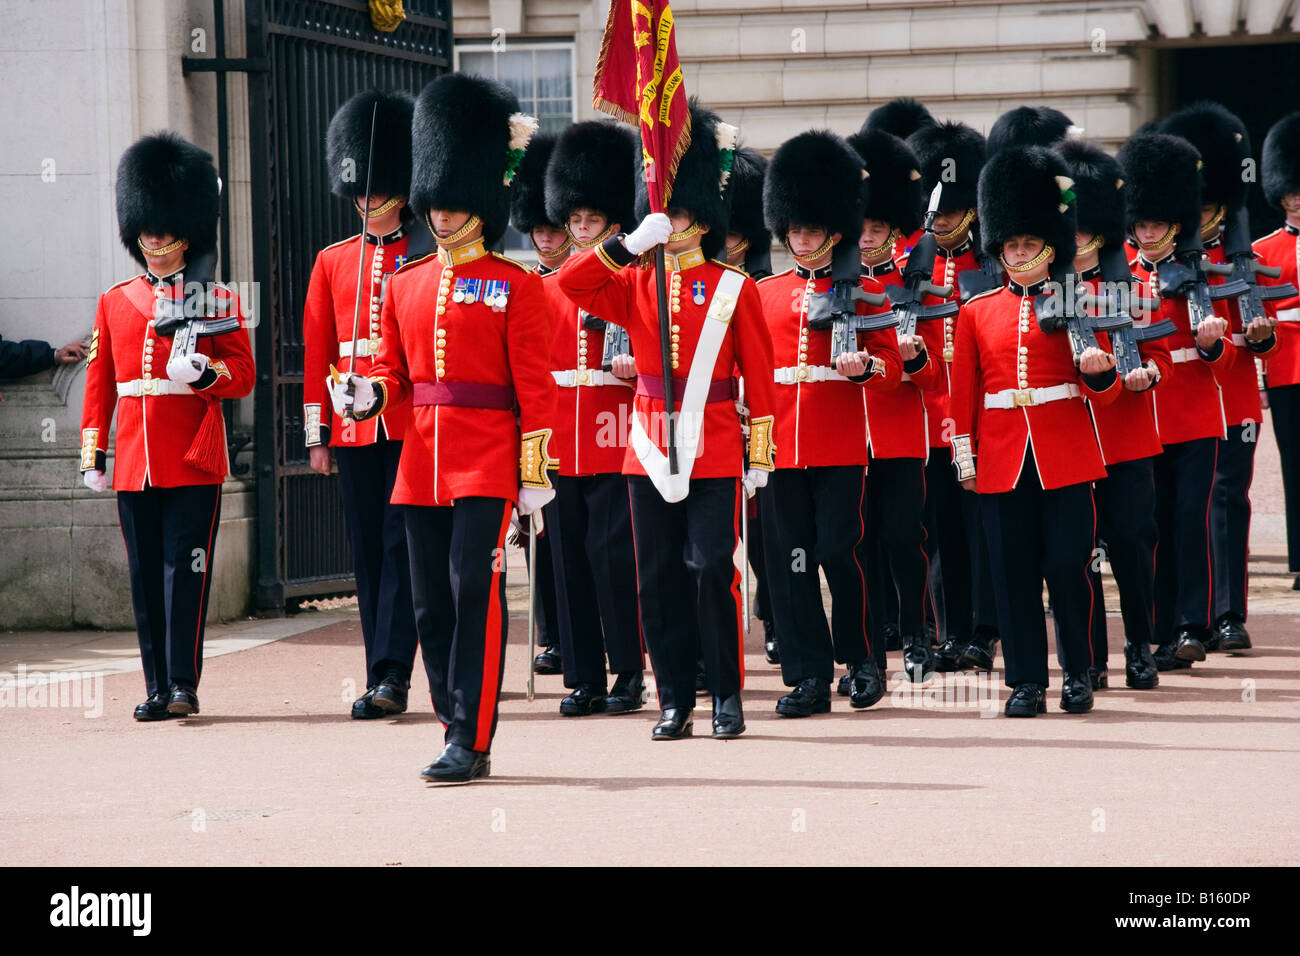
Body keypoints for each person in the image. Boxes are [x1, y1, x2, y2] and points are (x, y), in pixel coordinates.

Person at [337, 73, 557, 783]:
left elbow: (535, 387)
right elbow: (398, 379)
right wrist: (368, 398)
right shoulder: (405, 283)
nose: (441, 213)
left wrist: (531, 476)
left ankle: (473, 734)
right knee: (430, 603)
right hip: (420, 461)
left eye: (455, 202)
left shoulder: (515, 285)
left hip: (488, 460)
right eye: (436, 199)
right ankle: (448, 718)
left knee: (474, 590)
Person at [558, 100, 777, 741]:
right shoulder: (634, 279)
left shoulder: (734, 287)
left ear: (702, 219)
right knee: (655, 578)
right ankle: (674, 698)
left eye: (679, 214)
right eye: (665, 213)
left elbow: (760, 380)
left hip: (711, 442)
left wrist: (759, 453)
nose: (672, 222)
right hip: (650, 443)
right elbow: (571, 286)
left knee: (711, 567)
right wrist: (627, 246)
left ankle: (725, 694)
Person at [81, 132, 254, 720]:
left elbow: (244, 375)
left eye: (163, 228)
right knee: (144, 577)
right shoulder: (114, 300)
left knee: (188, 571)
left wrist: (204, 374)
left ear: (186, 231)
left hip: (191, 455)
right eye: (146, 229)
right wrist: (92, 454)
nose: (154, 238)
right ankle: (155, 686)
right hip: (134, 458)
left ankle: (184, 682)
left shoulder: (216, 297)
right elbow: (101, 381)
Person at [950, 144, 1121, 717]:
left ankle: (1079, 671)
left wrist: (1099, 377)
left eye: (1029, 243)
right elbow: (964, 390)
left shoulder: (1082, 299)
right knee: (1012, 572)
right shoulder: (977, 310)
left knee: (1068, 565)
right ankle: (1026, 681)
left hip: (1065, 451)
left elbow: (1109, 387)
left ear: (1052, 246)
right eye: (1012, 245)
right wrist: (964, 455)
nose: (1019, 253)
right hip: (1001, 454)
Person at [756, 129, 901, 716]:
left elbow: (894, 369)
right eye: (793, 230)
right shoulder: (761, 293)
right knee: (789, 563)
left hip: (840, 445)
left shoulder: (865, 291)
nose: (801, 240)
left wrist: (865, 367)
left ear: (834, 232)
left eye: (811, 231)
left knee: (842, 553)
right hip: (780, 450)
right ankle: (808, 674)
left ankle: (863, 659)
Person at [302, 90, 426, 719]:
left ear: (401, 192)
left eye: (378, 192)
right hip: (352, 427)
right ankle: (379, 667)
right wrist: (316, 436)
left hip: (406, 421)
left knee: (402, 543)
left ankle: (395, 672)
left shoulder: (424, 257)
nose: (367, 203)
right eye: (360, 193)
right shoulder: (332, 262)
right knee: (368, 551)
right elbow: (317, 351)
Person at [538, 120, 646, 716]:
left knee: (614, 557)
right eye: (574, 221)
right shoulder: (543, 286)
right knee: (568, 561)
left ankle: (627, 671)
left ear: (613, 225)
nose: (580, 231)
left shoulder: (633, 283)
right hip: (560, 440)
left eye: (591, 222)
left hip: (618, 434)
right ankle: (583, 676)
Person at [1163, 103, 1279, 654]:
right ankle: (1188, 617)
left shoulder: (1242, 258)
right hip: (1177, 402)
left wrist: (1255, 334)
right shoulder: (1158, 261)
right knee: (1183, 509)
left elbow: (1265, 335)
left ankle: (1228, 612)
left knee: (1229, 500)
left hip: (1231, 398)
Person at [1119, 132, 1236, 670]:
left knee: (1190, 518)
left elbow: (1229, 358)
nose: (1146, 233)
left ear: (1174, 224)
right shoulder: (1120, 274)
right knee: (1151, 524)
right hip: (1143, 415)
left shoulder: (1203, 272)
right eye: (1140, 224)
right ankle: (1162, 628)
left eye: (1155, 225)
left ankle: (1195, 623)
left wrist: (1212, 343)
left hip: (1192, 413)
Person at [1057, 138, 1167, 690]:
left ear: (1099, 235)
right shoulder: (1046, 295)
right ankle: (1091, 656)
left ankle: (1140, 645)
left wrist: (1148, 374)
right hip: (1072, 440)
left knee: (1130, 542)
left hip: (1126, 435)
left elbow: (1161, 354)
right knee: (1081, 554)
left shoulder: (1135, 288)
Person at [906, 118, 1001, 671]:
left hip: (980, 417)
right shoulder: (913, 264)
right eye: (933, 213)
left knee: (981, 527)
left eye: (948, 212)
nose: (939, 222)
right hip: (928, 417)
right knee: (939, 531)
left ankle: (986, 629)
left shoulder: (991, 264)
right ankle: (951, 630)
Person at [846, 125, 937, 686]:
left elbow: (939, 376)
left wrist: (918, 356)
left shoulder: (917, 282)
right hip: (846, 432)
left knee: (904, 537)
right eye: (861, 225)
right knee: (857, 543)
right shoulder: (830, 283)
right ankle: (869, 641)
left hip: (901, 431)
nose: (867, 234)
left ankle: (918, 631)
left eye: (877, 226)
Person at [507, 130, 566, 677]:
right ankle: (550, 634)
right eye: (540, 230)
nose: (546, 239)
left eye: (555, 229)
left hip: (581, 423)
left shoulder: (587, 281)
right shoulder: (523, 283)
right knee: (537, 536)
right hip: (534, 426)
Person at [723, 145, 781, 666]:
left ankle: (774, 614)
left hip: (754, 421)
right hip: (714, 421)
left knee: (766, 532)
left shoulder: (759, 287)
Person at [1256, 111, 1300, 591]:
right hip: (1285, 361)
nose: (1296, 200)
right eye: (1290, 193)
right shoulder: (1263, 249)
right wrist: (1258, 378)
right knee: (1294, 461)